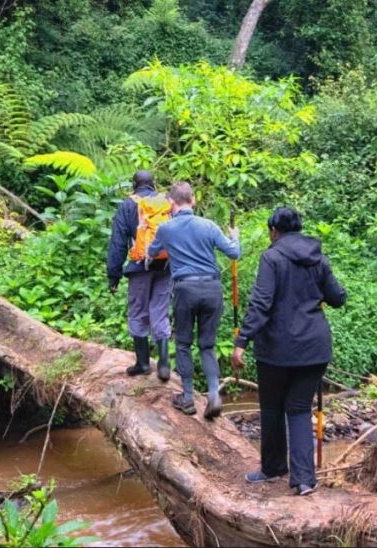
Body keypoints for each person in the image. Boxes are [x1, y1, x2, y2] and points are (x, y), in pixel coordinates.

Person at [230, 207, 346, 496]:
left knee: (272, 407)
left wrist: (242, 341)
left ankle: (273, 468)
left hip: (276, 349)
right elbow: (338, 298)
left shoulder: (272, 257)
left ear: (273, 231)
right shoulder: (318, 257)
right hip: (314, 347)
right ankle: (304, 479)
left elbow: (261, 302)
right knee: (298, 408)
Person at [148, 182, 240, 419]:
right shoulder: (208, 225)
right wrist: (235, 237)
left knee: (183, 343)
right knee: (207, 345)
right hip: (212, 288)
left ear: (171, 203)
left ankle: (188, 398)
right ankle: (213, 395)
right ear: (193, 200)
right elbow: (234, 253)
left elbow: (151, 252)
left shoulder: (166, 229)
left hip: (185, 289)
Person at [107, 171, 173, 380]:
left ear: (134, 184)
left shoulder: (128, 205)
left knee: (138, 312)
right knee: (159, 312)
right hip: (165, 266)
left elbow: (118, 243)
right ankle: (163, 365)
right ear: (153, 184)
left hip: (139, 267)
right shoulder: (165, 204)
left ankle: (143, 363)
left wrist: (114, 275)